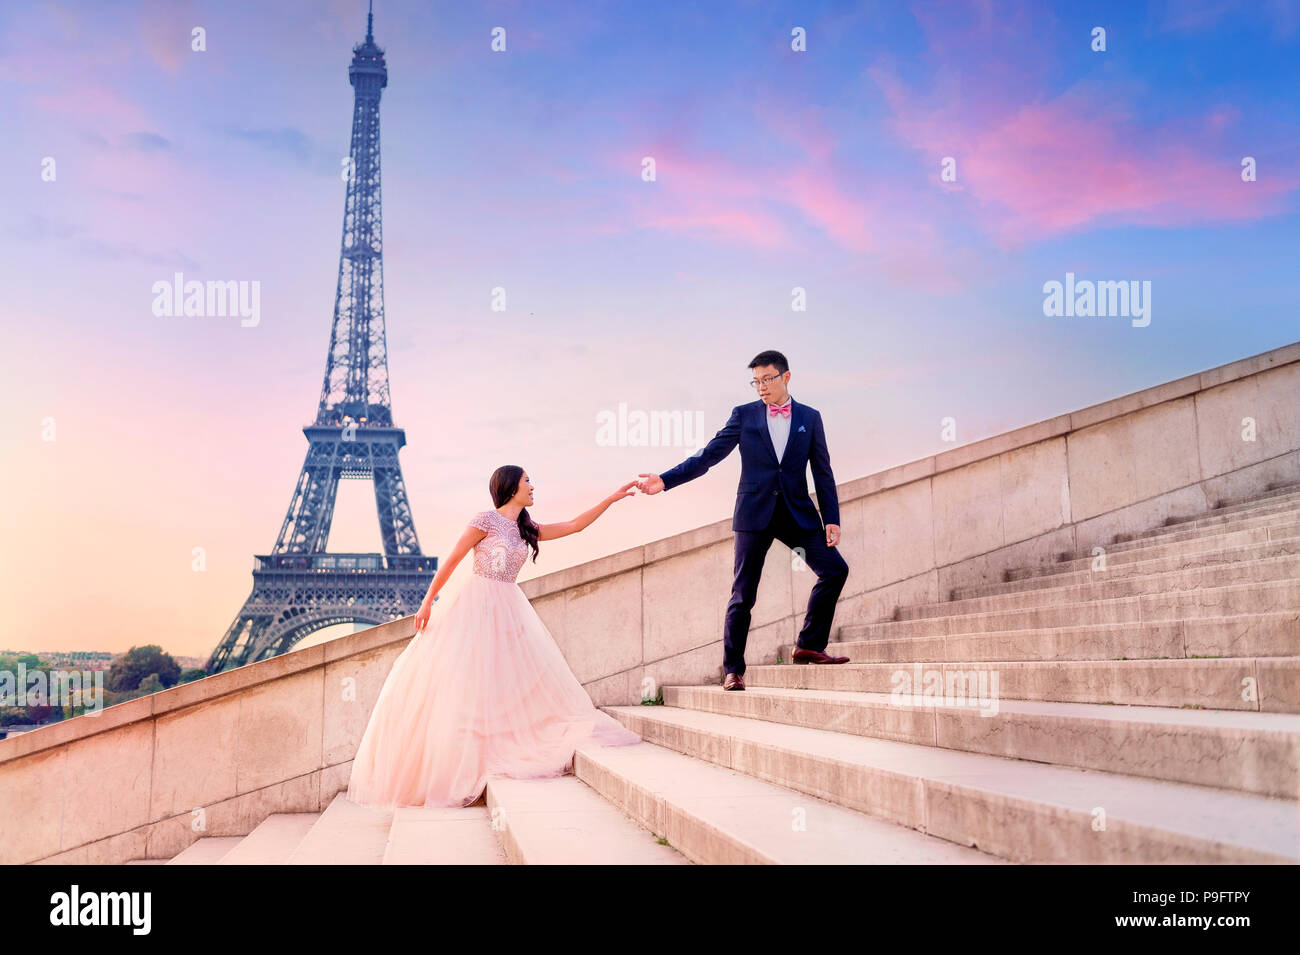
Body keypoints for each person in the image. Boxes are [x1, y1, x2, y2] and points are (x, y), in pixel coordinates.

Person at [346, 465, 642, 809]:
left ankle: (492, 751)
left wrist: (611, 499)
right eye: (527, 480)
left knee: (505, 683)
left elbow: (575, 525)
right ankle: (457, 765)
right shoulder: (484, 520)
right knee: (466, 684)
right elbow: (452, 561)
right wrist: (427, 603)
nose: (532, 486)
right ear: (510, 486)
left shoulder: (526, 529)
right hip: (475, 606)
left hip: (508, 608)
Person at [636, 350, 850, 691]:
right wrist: (664, 480)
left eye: (768, 379)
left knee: (835, 570)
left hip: (797, 516)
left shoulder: (811, 417)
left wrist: (831, 518)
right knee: (743, 595)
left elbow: (822, 472)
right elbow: (709, 455)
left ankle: (809, 643)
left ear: (786, 377)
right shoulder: (744, 415)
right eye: (756, 381)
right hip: (754, 516)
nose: (761, 387)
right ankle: (733, 670)